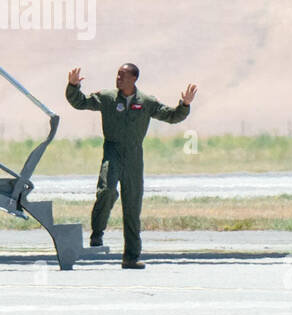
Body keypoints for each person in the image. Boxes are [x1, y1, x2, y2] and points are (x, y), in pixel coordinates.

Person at [65, 64, 197, 268]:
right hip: (112, 151)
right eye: (117, 74)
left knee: (132, 205)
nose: (118, 78)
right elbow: (80, 103)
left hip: (134, 155)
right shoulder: (108, 98)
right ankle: (97, 233)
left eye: (122, 75)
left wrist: (184, 105)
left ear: (134, 79)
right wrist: (73, 86)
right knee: (107, 190)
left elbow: (171, 116)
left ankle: (131, 257)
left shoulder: (146, 102)